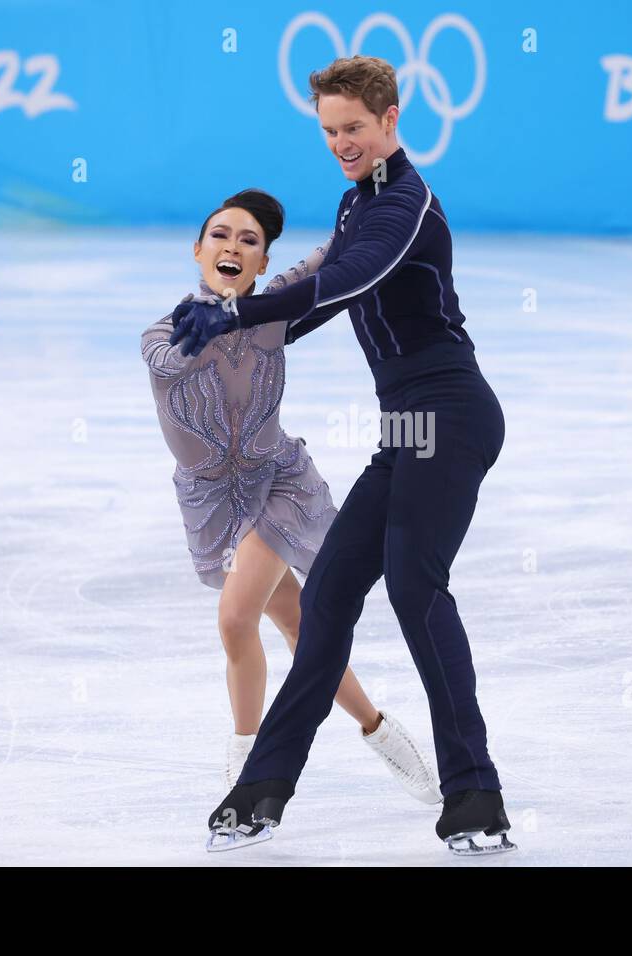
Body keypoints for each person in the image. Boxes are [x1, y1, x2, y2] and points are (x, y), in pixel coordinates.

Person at [170, 58, 515, 855]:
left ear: (391, 120)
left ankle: (476, 796)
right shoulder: (357, 202)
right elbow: (320, 300)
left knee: (414, 585)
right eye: (328, 131)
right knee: (325, 599)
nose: (341, 143)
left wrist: (239, 314)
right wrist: (240, 332)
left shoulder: (406, 206)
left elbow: (348, 278)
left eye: (353, 128)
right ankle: (264, 786)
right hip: (404, 427)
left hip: (450, 414)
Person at [141, 188, 441, 850]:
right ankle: (378, 729)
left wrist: (379, 214)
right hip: (213, 505)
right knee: (300, 624)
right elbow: (170, 362)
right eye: (220, 235)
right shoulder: (161, 335)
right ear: (197, 251)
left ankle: (248, 770)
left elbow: (326, 266)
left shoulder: (273, 312)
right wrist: (213, 322)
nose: (232, 247)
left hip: (279, 484)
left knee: (235, 618)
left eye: (249, 241)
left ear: (260, 261)